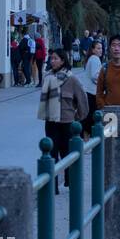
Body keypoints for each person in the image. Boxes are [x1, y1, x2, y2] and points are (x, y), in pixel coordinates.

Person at [38, 49, 88, 193]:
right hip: (51, 122)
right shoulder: (47, 77)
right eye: (51, 58)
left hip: (67, 123)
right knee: (51, 154)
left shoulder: (71, 79)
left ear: (63, 60)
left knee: (67, 154)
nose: (52, 61)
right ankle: (52, 187)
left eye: (55, 58)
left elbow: (83, 103)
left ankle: (69, 181)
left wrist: (76, 118)